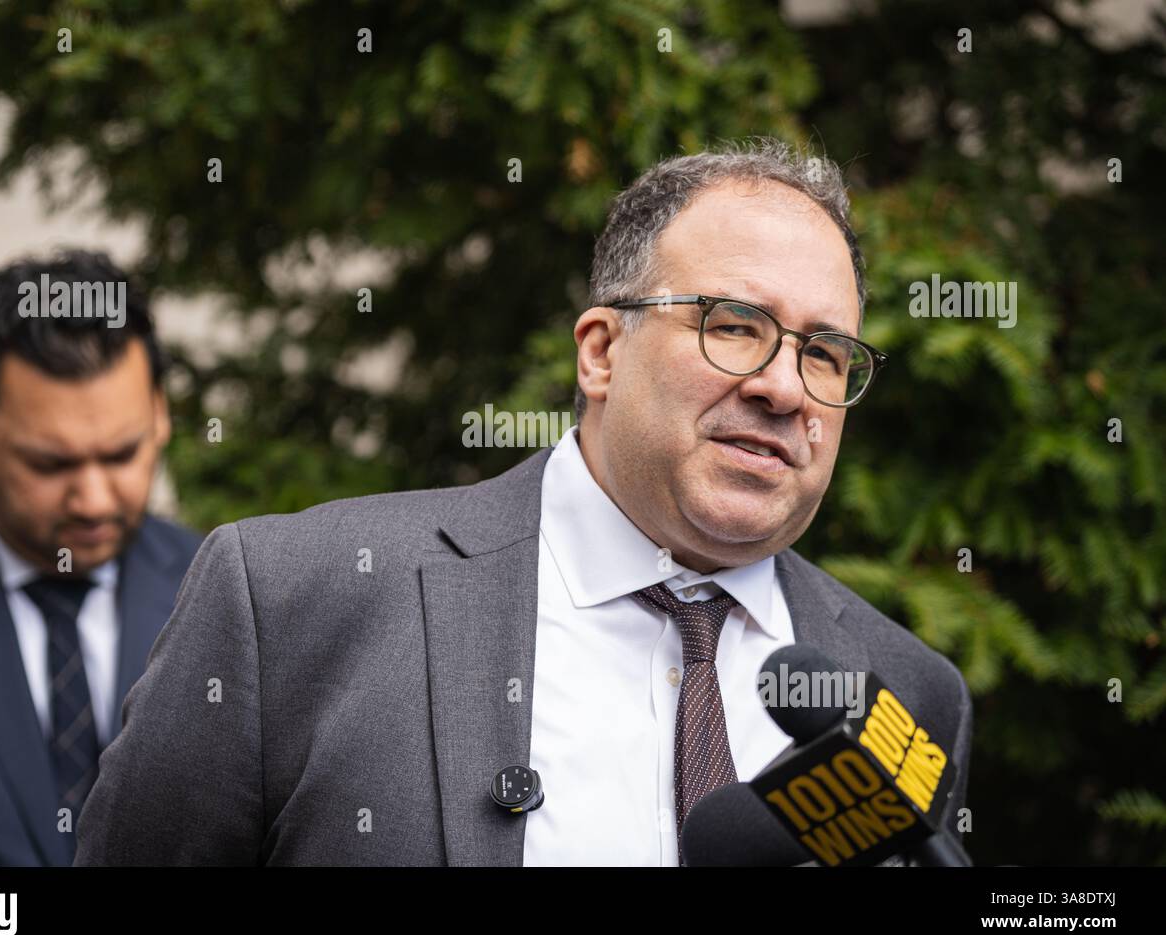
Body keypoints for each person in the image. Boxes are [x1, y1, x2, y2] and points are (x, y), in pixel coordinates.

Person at [76, 139, 972, 866]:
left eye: (824, 354)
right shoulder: (293, 600)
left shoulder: (905, 696)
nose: (785, 387)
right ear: (600, 354)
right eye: (734, 325)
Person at [0, 249, 201, 865]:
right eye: (52, 463)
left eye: (122, 455)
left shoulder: (230, 604)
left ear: (160, 416)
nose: (95, 499)